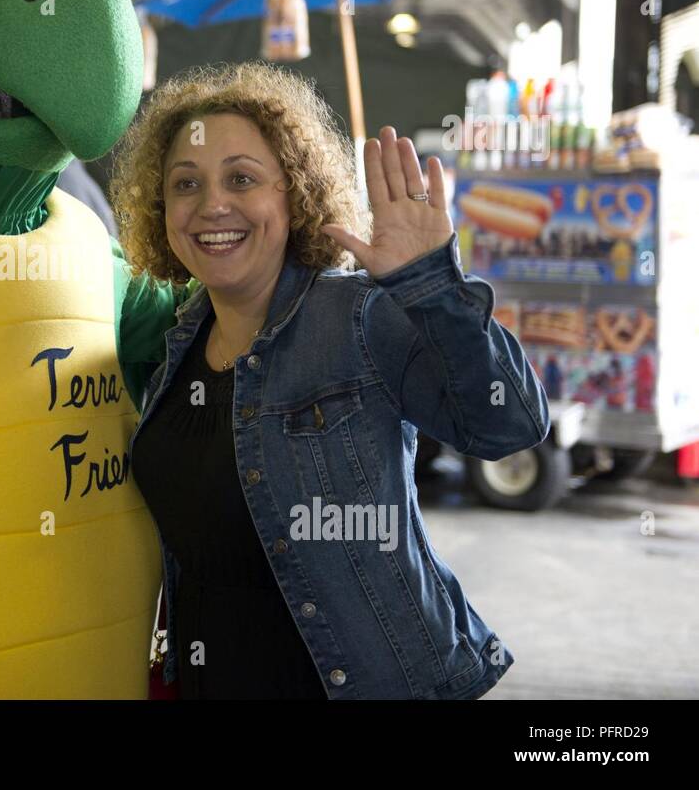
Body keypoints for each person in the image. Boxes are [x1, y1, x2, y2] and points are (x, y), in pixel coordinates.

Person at [111, 62, 550, 699]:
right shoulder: (178, 344)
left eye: (242, 178)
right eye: (186, 184)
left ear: (295, 195)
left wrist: (430, 285)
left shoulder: (358, 316)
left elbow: (508, 423)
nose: (212, 205)